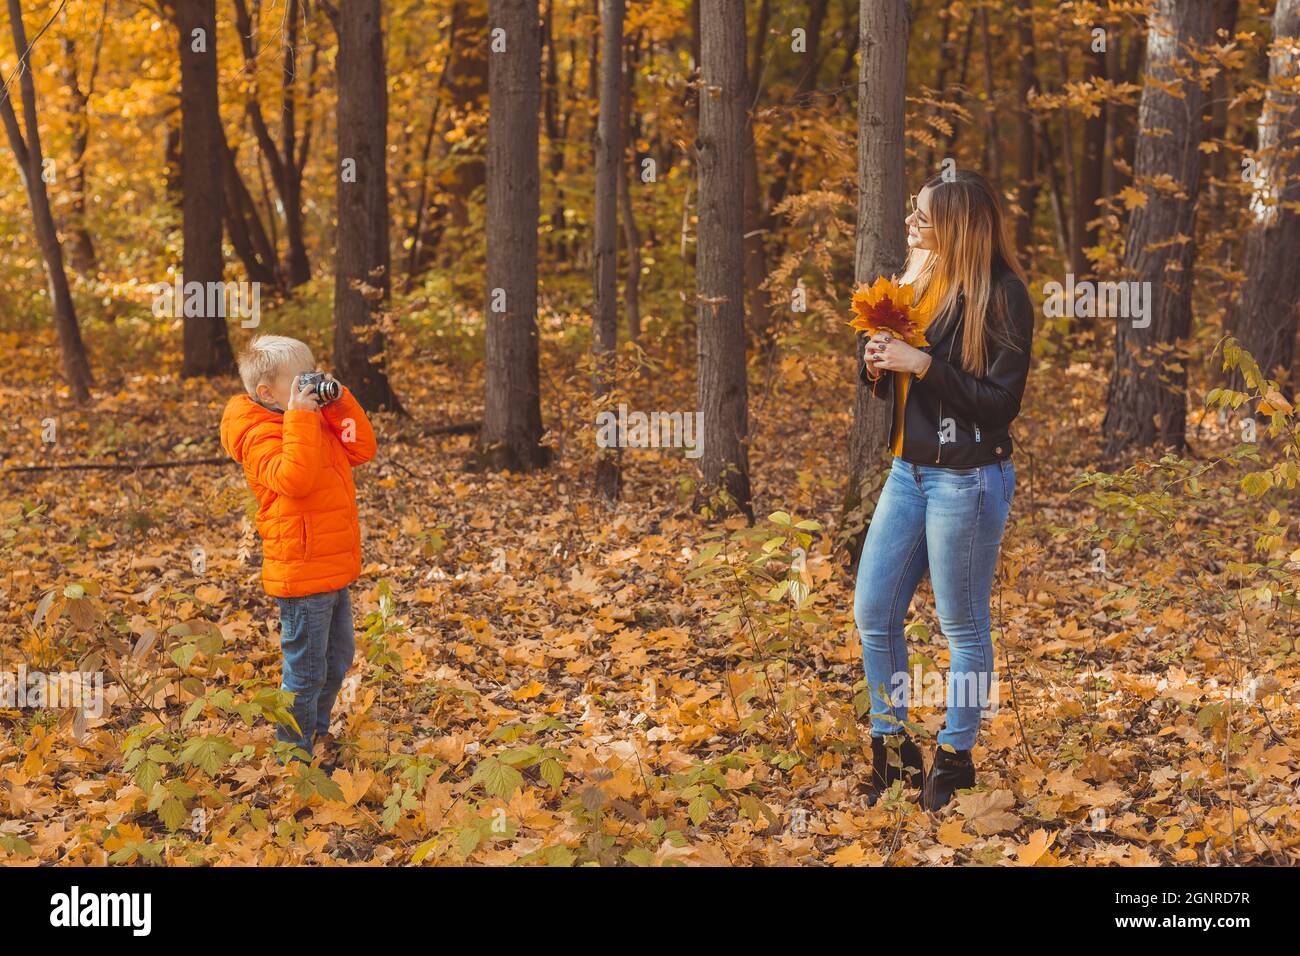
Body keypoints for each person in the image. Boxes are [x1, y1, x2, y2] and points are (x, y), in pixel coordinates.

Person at [855, 170, 1034, 811]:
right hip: (908, 471)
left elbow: (1000, 405)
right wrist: (877, 359)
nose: (910, 224)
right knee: (874, 612)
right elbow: (888, 378)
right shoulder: (916, 285)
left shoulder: (1004, 295)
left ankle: (955, 759)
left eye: (922, 217)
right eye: (912, 213)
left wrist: (924, 364)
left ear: (956, 227)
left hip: (969, 477)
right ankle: (893, 746)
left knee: (961, 625)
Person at [219, 335, 377, 768]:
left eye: (315, 374)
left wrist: (339, 400)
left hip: (332, 564)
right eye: (300, 380)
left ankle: (316, 732)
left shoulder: (309, 416)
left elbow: (362, 448)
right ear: (267, 392)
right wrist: (302, 418)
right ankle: (293, 755)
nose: (310, 385)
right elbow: (295, 480)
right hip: (301, 570)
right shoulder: (257, 432)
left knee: (338, 657)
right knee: (305, 671)